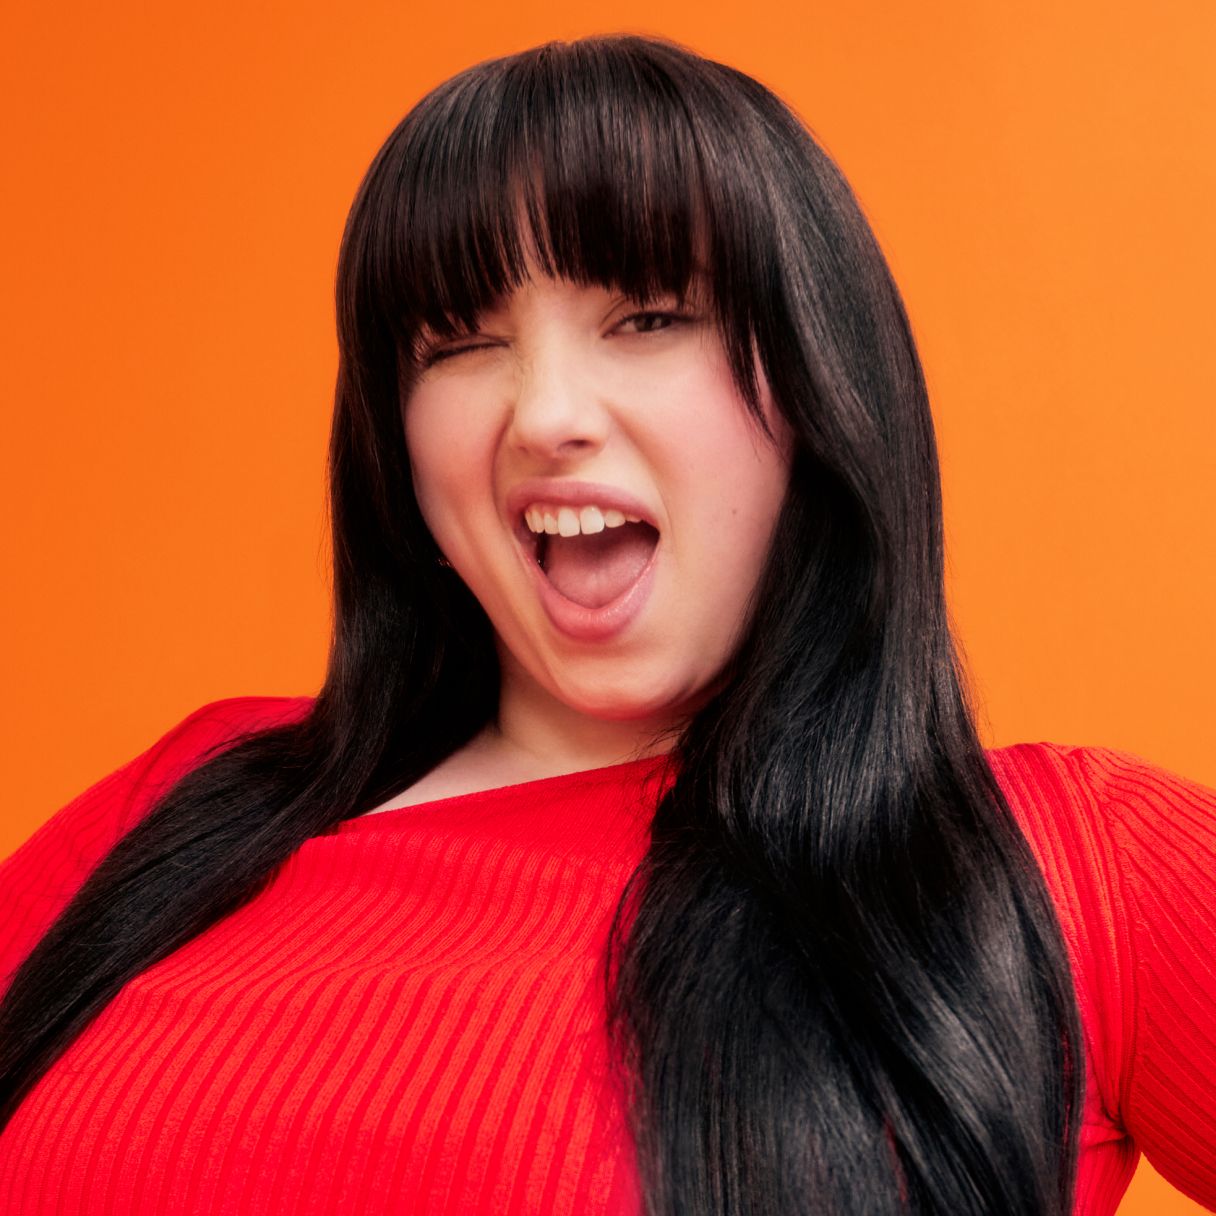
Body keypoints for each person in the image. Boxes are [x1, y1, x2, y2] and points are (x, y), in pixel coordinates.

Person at [1, 31, 1213, 1216]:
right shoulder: (184, 809)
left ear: (816, 381)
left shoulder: (1064, 868)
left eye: (647, 318)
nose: (544, 414)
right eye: (461, 342)